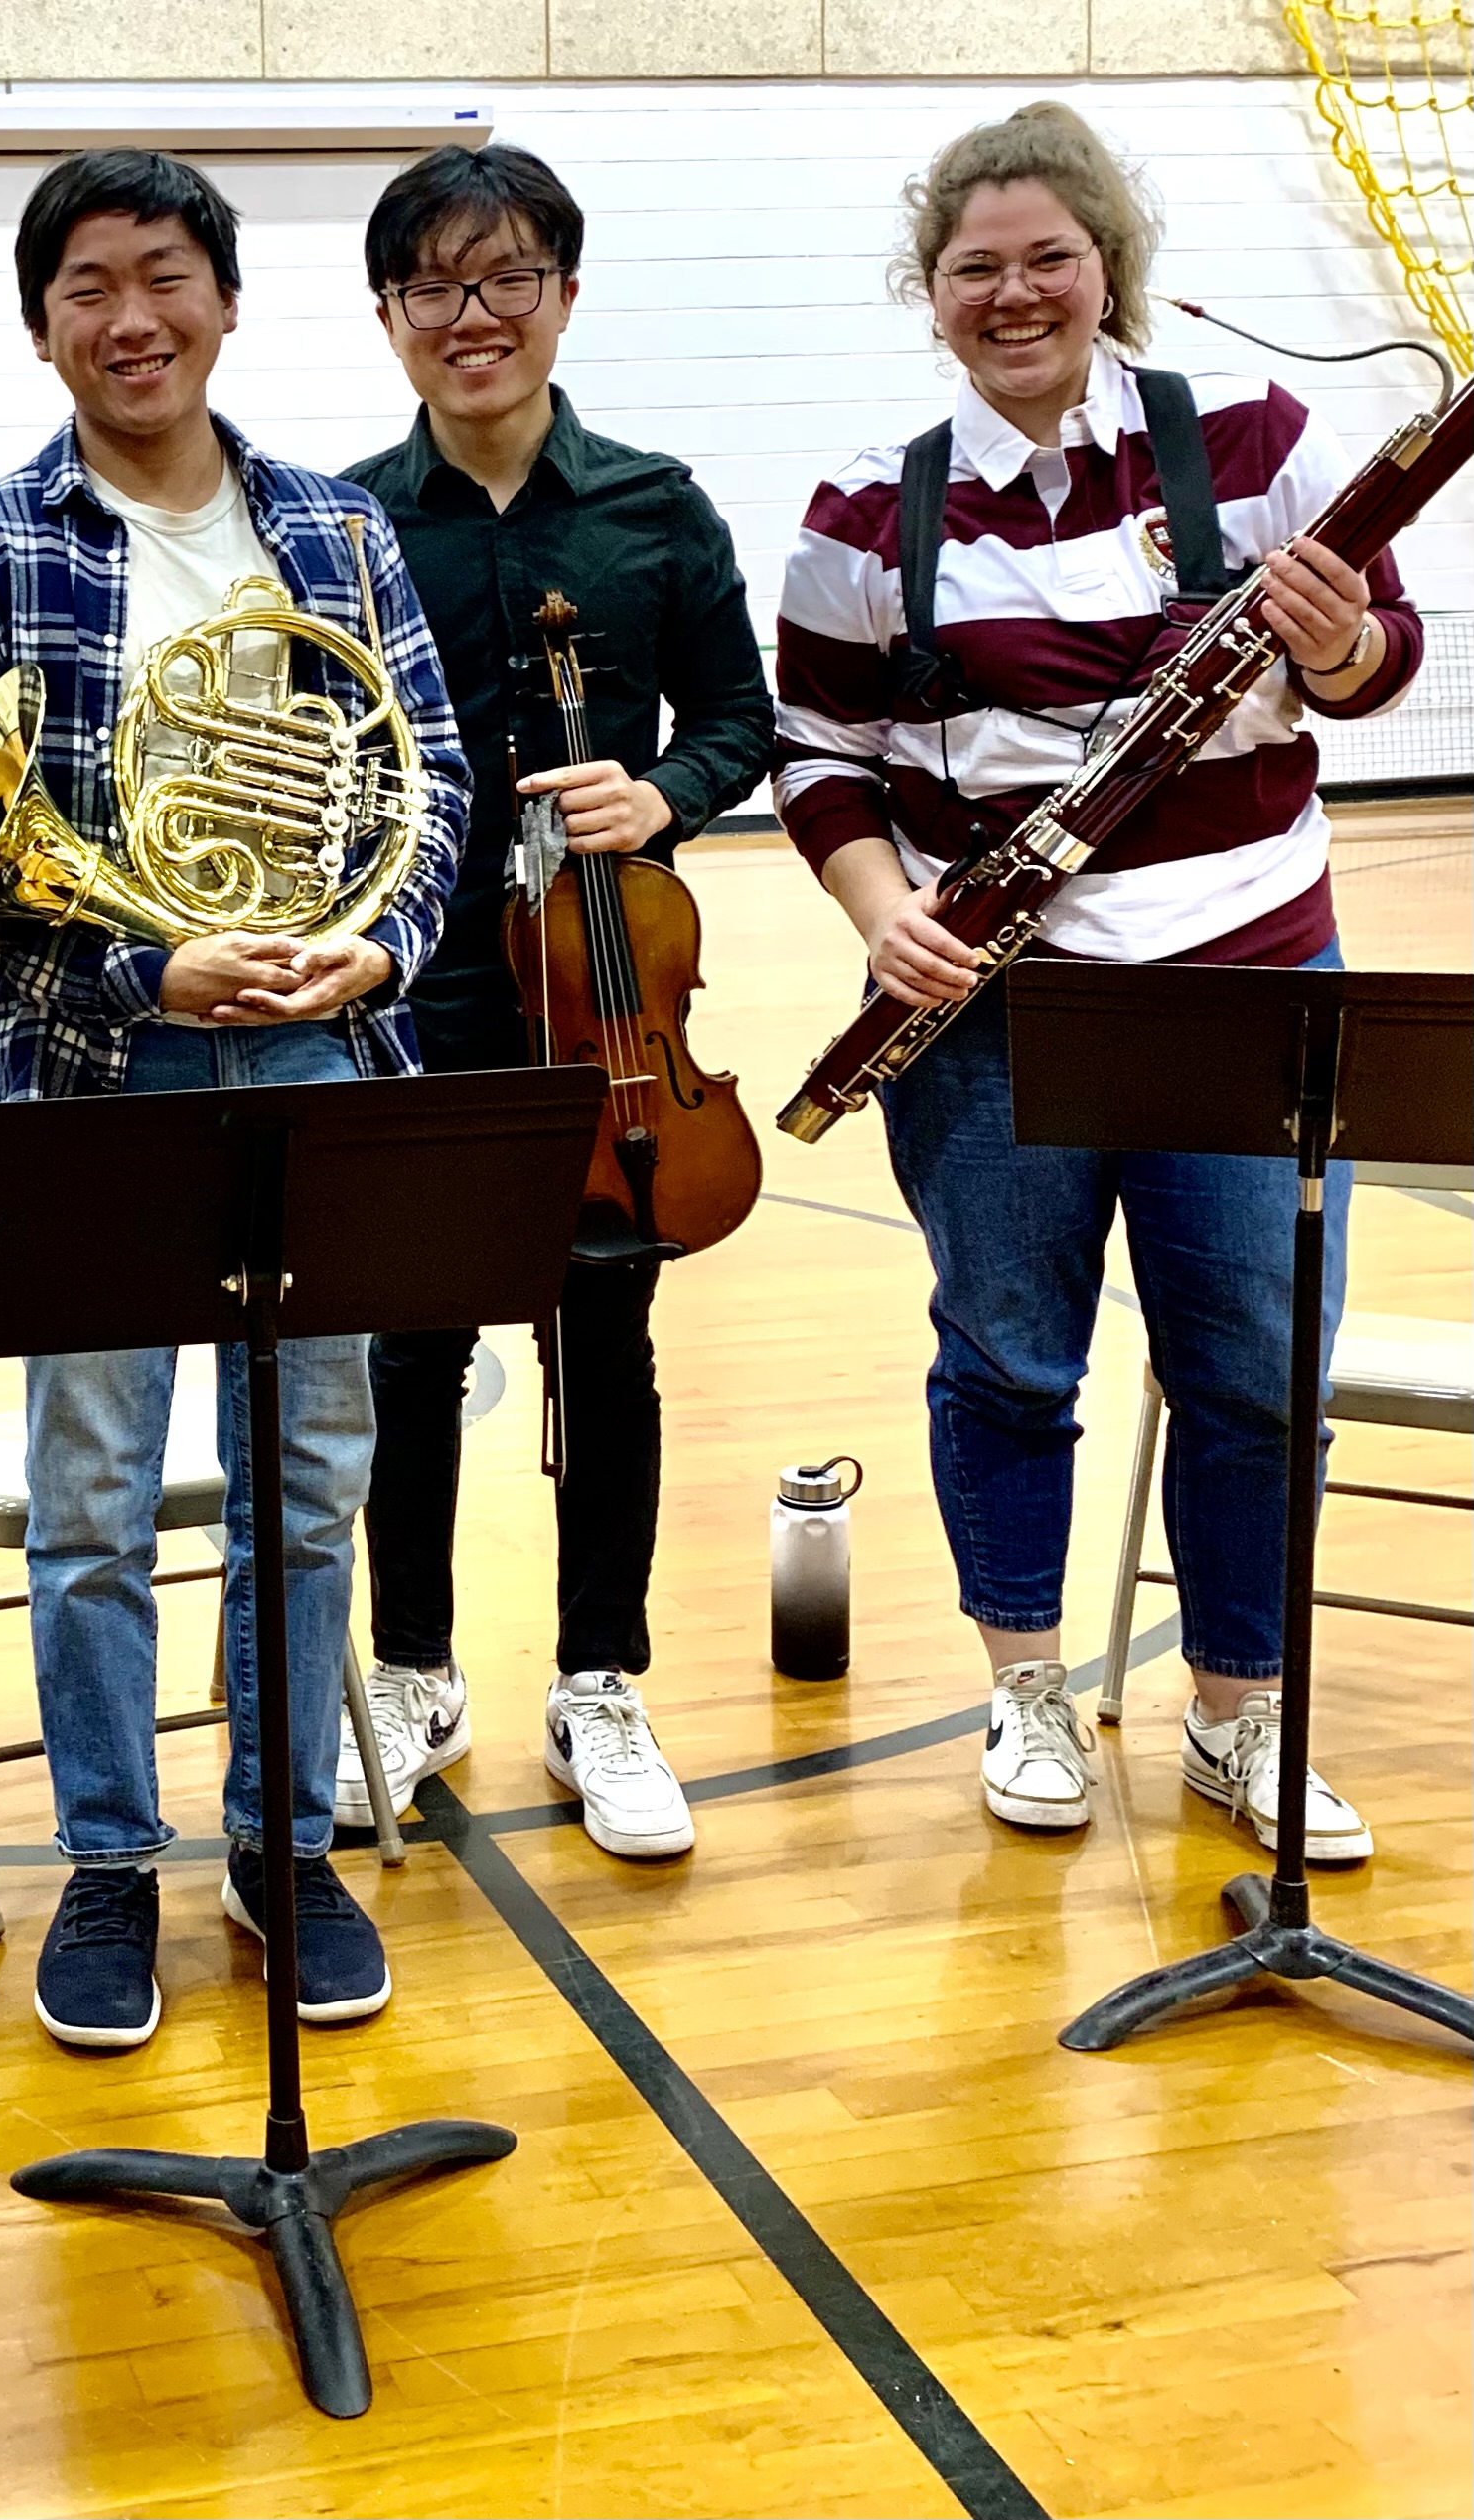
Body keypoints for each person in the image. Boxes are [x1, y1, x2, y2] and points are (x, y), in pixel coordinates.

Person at [772, 102, 1420, 1853]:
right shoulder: (863, 510)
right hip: (994, 1008)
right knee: (1003, 1359)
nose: (1013, 293)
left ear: (1106, 268)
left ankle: (1236, 1713)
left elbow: (1381, 658)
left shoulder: (1257, 437)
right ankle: (1027, 1689)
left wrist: (1341, 641)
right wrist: (872, 910)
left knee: (1253, 1364)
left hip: (1244, 981)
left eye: (1046, 257)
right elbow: (818, 751)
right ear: (929, 293)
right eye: (973, 267)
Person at [0, 149, 469, 2052]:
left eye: (161, 278)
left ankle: (279, 1841)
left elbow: (431, 779)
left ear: (224, 302)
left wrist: (370, 943)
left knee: (309, 1484)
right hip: (96, 1066)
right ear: (39, 320)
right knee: (89, 1497)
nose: (126, 318)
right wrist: (152, 962)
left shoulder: (341, 531)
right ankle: (110, 1861)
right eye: (84, 286)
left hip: (317, 1041)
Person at [342, 144, 775, 1860]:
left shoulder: (654, 506)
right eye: (433, 287)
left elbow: (742, 723)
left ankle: (598, 1676)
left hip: (608, 998)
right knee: (410, 1339)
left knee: (610, 1342)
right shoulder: (345, 517)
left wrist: (658, 796)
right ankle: (411, 1664)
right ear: (388, 318)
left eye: (505, 277)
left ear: (563, 296)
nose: (472, 316)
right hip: (426, 989)